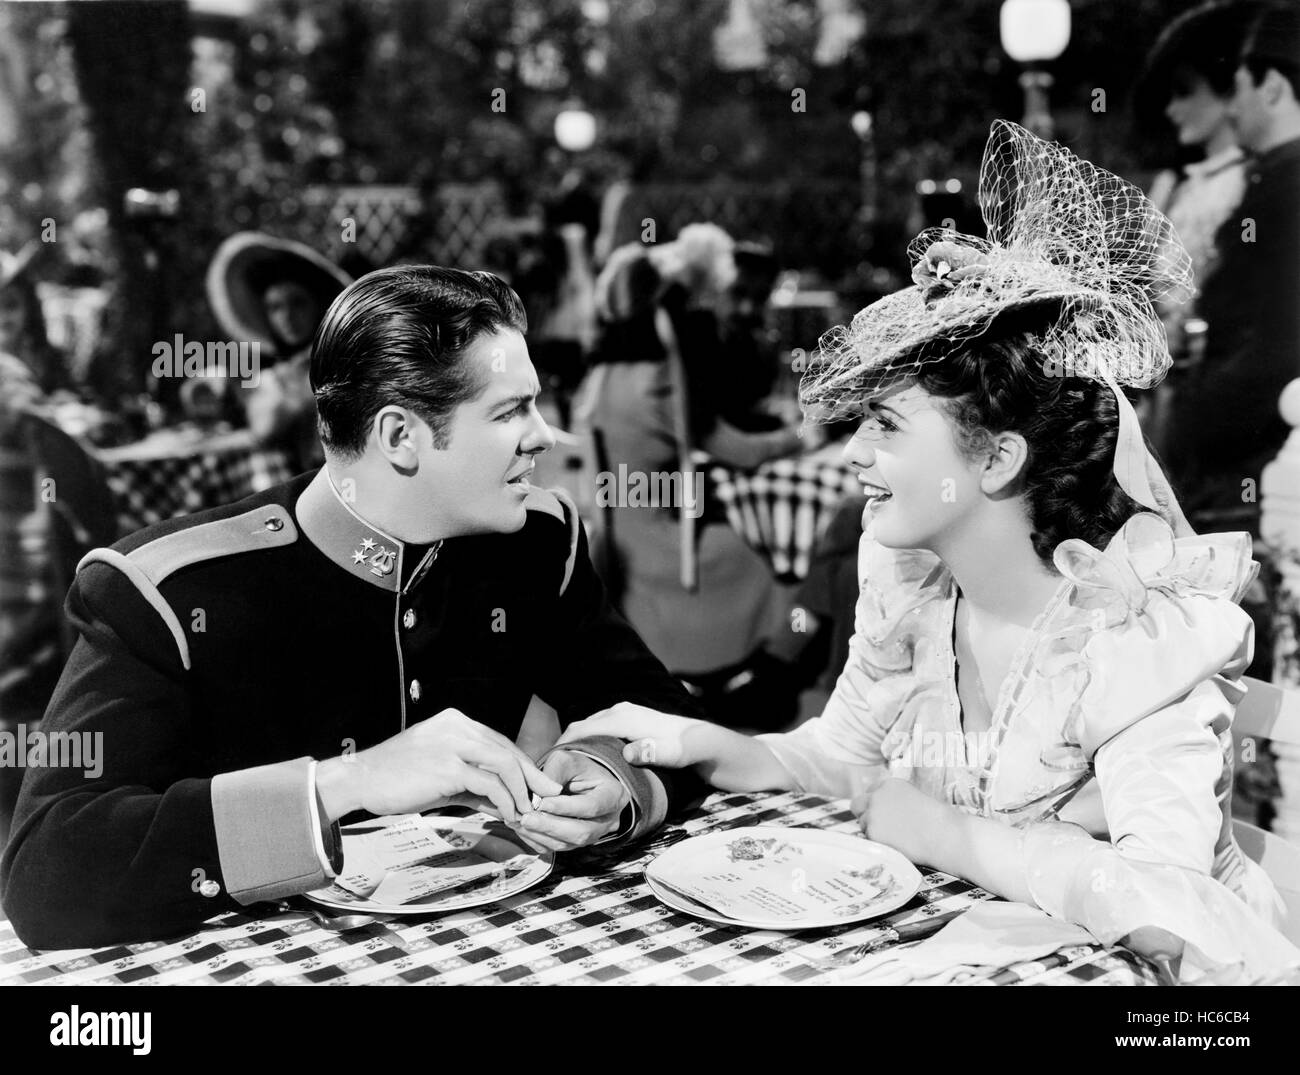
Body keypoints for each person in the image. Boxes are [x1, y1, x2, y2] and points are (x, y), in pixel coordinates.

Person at [557, 121, 1300, 984]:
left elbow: (1176, 913)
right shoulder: (911, 579)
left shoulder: (1131, 630)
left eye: (886, 425)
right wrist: (696, 738)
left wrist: (953, 837)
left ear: (996, 458)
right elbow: (843, 759)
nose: (850, 453)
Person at [0, 266, 705, 949]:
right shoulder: (170, 590)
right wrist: (343, 781)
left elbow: (670, 719)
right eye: (512, 409)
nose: (546, 436)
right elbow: (45, 875)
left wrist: (611, 775)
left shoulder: (538, 546)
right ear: (400, 437)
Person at [574, 225, 808, 727]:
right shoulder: (661, 380)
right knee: (769, 554)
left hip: (616, 538)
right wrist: (800, 438)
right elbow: (735, 451)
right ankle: (761, 681)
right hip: (661, 550)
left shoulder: (601, 378)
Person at [1164, 2, 1300, 535]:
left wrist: (1191, 427)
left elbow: (1281, 346)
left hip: (1259, 464)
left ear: (1272, 89)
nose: (1233, 104)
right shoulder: (1274, 179)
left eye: (1239, 86)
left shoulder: (1290, 186)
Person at [1136, 1, 1262, 459]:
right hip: (1162, 385)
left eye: (1186, 91)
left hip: (1228, 380)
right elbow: (1137, 285)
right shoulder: (1170, 188)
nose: (1173, 109)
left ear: (1229, 92)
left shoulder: (1260, 181)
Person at [206, 232, 353, 471]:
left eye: (298, 303)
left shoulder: (346, 362)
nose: (287, 318)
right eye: (275, 307)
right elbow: (264, 425)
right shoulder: (274, 371)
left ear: (319, 304)